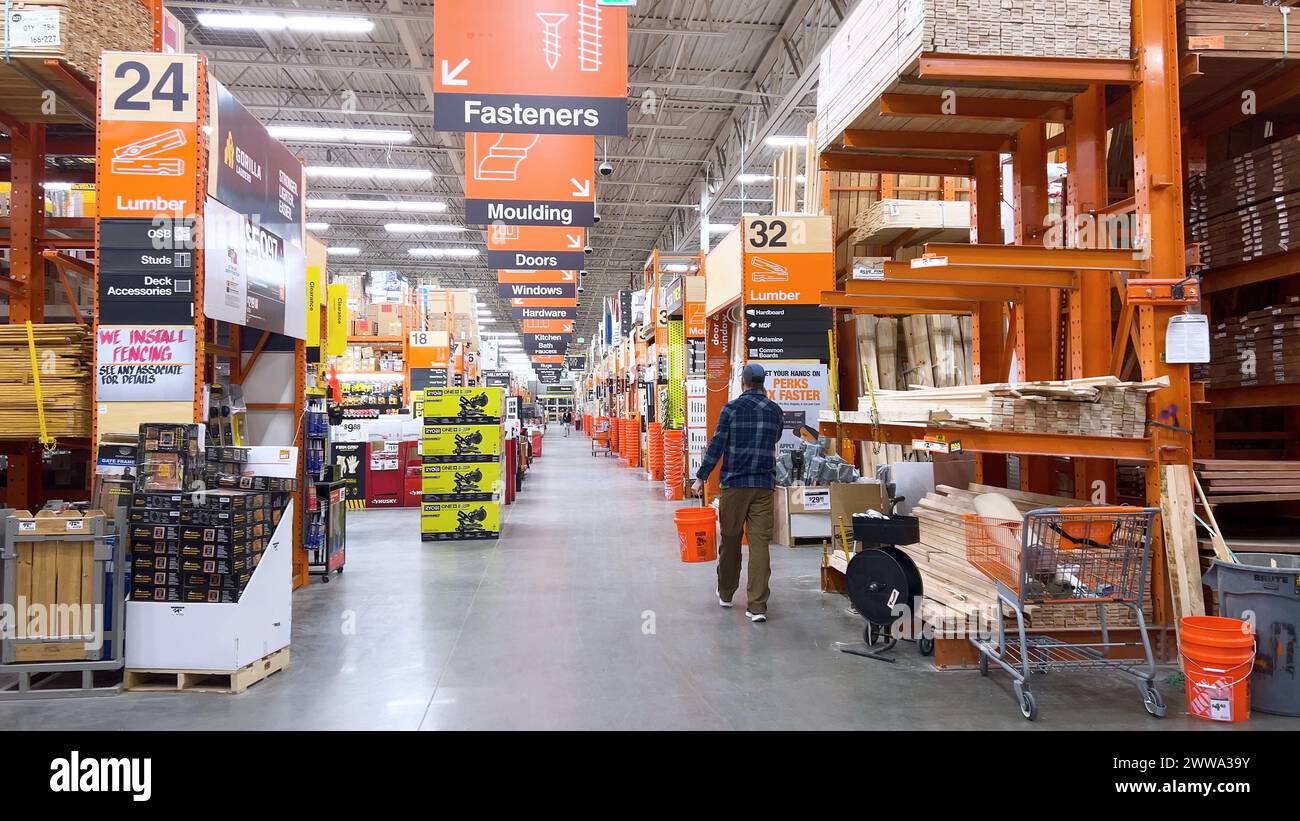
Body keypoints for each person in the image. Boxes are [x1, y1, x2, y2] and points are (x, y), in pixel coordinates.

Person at [691, 364, 784, 623]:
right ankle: (757, 607)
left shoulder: (731, 409)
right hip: (764, 486)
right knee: (759, 545)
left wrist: (701, 477)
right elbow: (774, 439)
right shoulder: (775, 411)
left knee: (731, 541)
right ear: (763, 383)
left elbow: (717, 445)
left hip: (733, 485)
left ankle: (726, 593)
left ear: (743, 383)